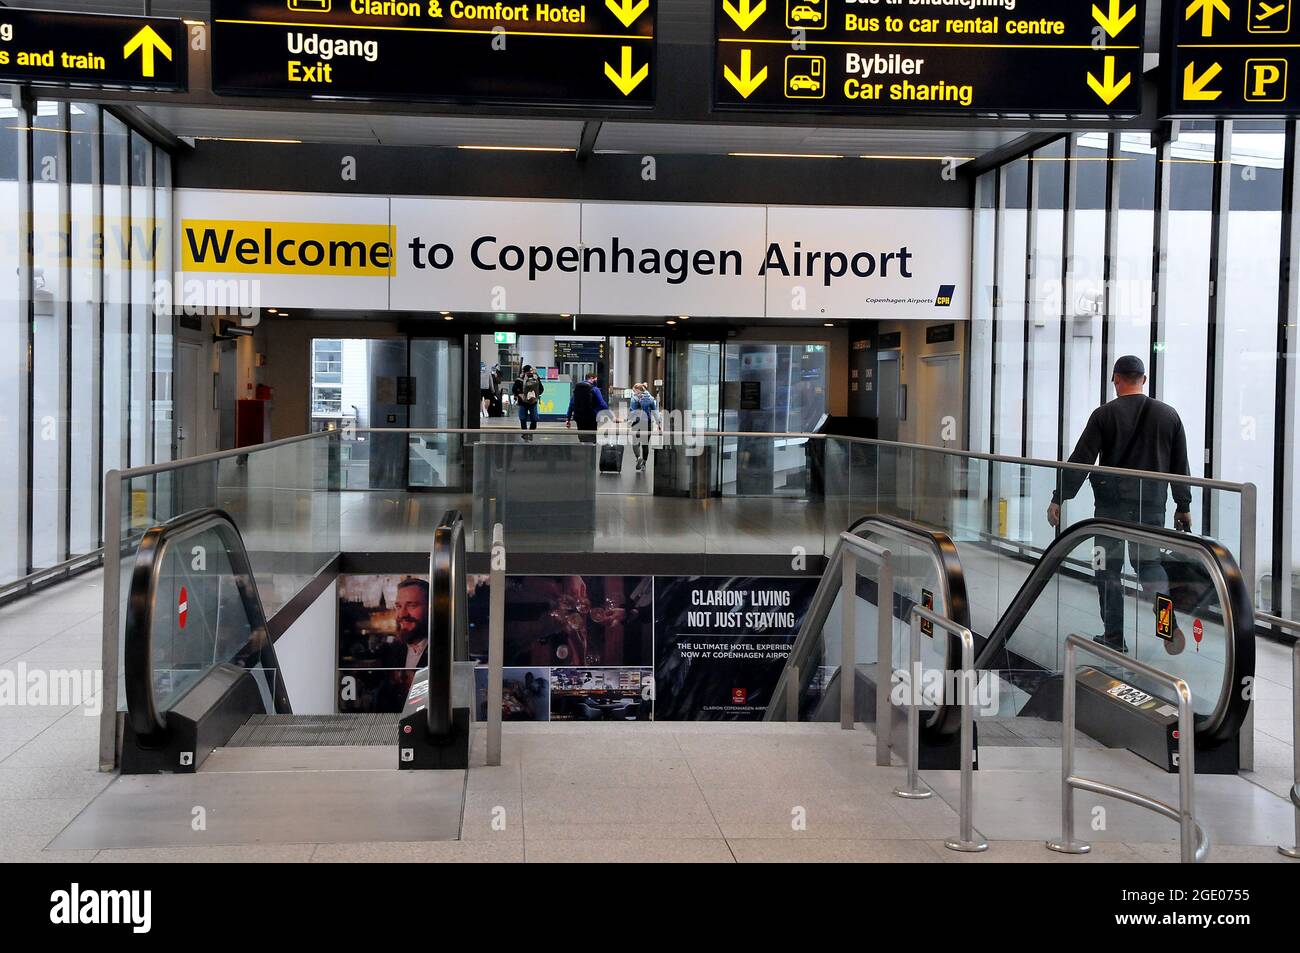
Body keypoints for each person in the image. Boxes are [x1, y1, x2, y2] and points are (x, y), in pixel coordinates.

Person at [1047, 355, 1193, 654]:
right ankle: (1166, 622)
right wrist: (1183, 503)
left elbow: (1082, 459)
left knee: (1107, 569)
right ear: (1144, 379)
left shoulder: (1104, 415)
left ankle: (1114, 636)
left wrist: (1059, 496)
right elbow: (1180, 465)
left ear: (1116, 378)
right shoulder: (1169, 415)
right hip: (1151, 506)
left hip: (1110, 510)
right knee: (1149, 566)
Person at [565, 371, 608, 444]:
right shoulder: (595, 389)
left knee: (582, 437)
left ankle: (583, 451)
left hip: (579, 417)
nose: (596, 381)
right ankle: (591, 453)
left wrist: (568, 418)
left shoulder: (577, 389)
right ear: (591, 378)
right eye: (595, 379)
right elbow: (602, 404)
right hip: (591, 417)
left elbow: (571, 404)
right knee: (592, 437)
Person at [628, 382, 661, 471]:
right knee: (645, 445)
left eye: (634, 391)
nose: (634, 392)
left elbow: (632, 412)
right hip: (647, 424)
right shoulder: (651, 399)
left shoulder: (634, 399)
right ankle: (644, 464)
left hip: (636, 423)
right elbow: (655, 412)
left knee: (635, 443)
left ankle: (638, 458)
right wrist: (659, 424)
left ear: (638, 390)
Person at [512, 364, 544, 434]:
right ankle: (526, 434)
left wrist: (535, 394)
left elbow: (541, 389)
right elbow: (514, 389)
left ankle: (528, 433)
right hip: (527, 402)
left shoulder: (534, 378)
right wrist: (520, 394)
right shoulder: (522, 379)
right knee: (526, 418)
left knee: (530, 418)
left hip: (528, 402)